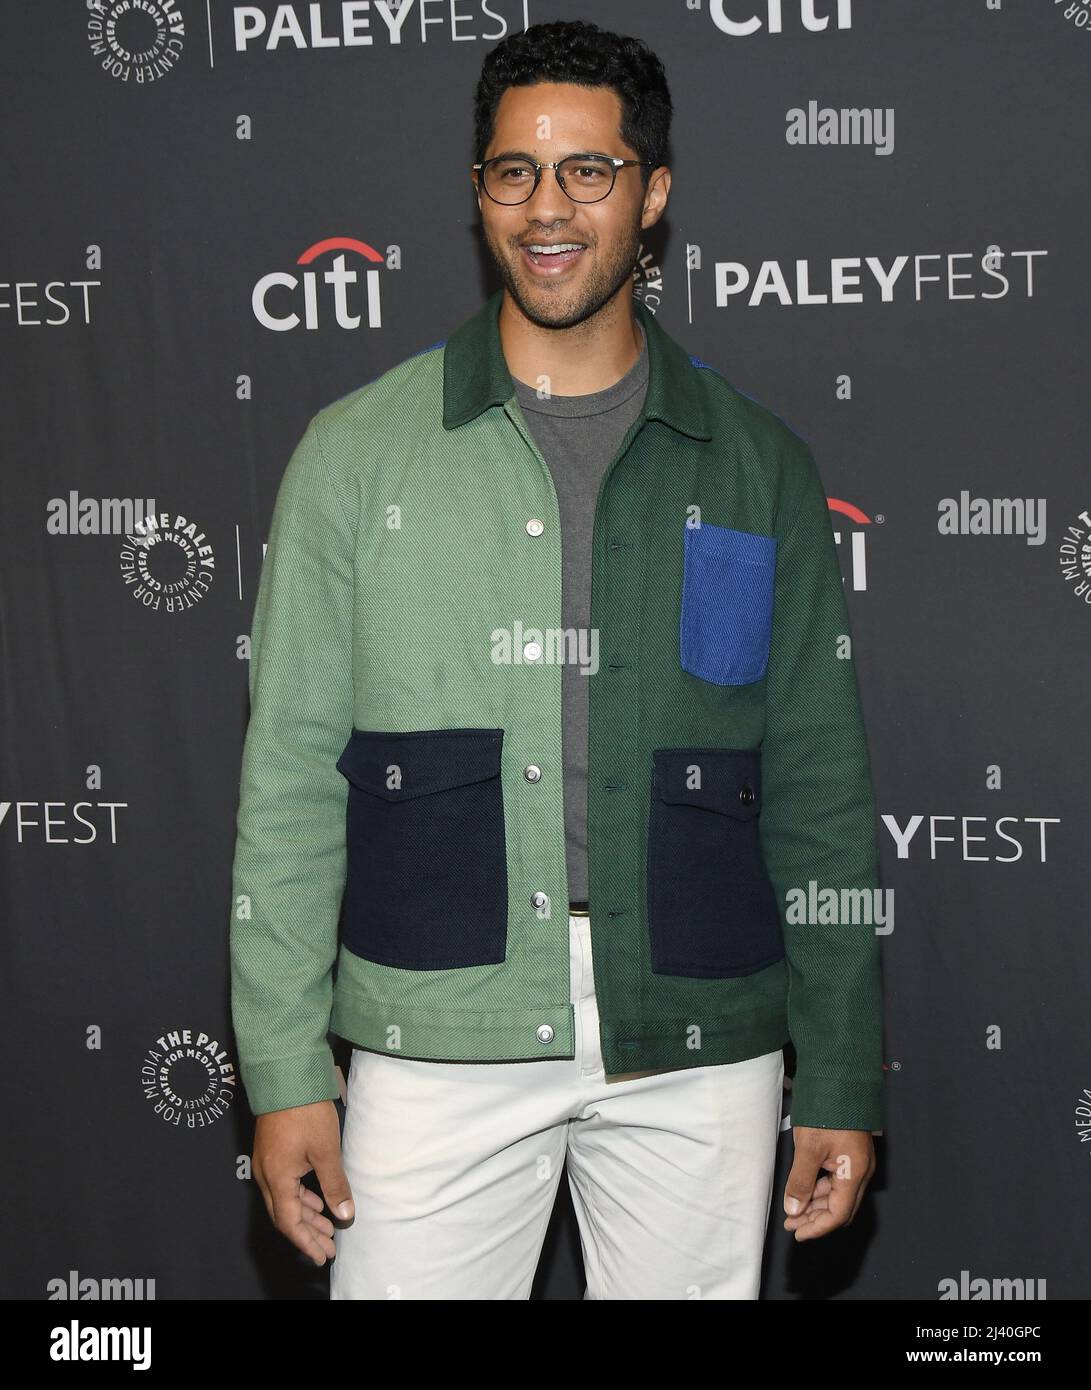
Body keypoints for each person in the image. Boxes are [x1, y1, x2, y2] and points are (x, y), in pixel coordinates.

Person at [229, 18, 885, 1300]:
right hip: (435, 1024)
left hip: (700, 1039)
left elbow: (817, 786)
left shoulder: (758, 465)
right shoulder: (354, 455)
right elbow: (294, 779)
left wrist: (845, 1071)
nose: (548, 207)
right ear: (477, 192)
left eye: (588, 170)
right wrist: (286, 1066)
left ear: (652, 193)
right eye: (513, 171)